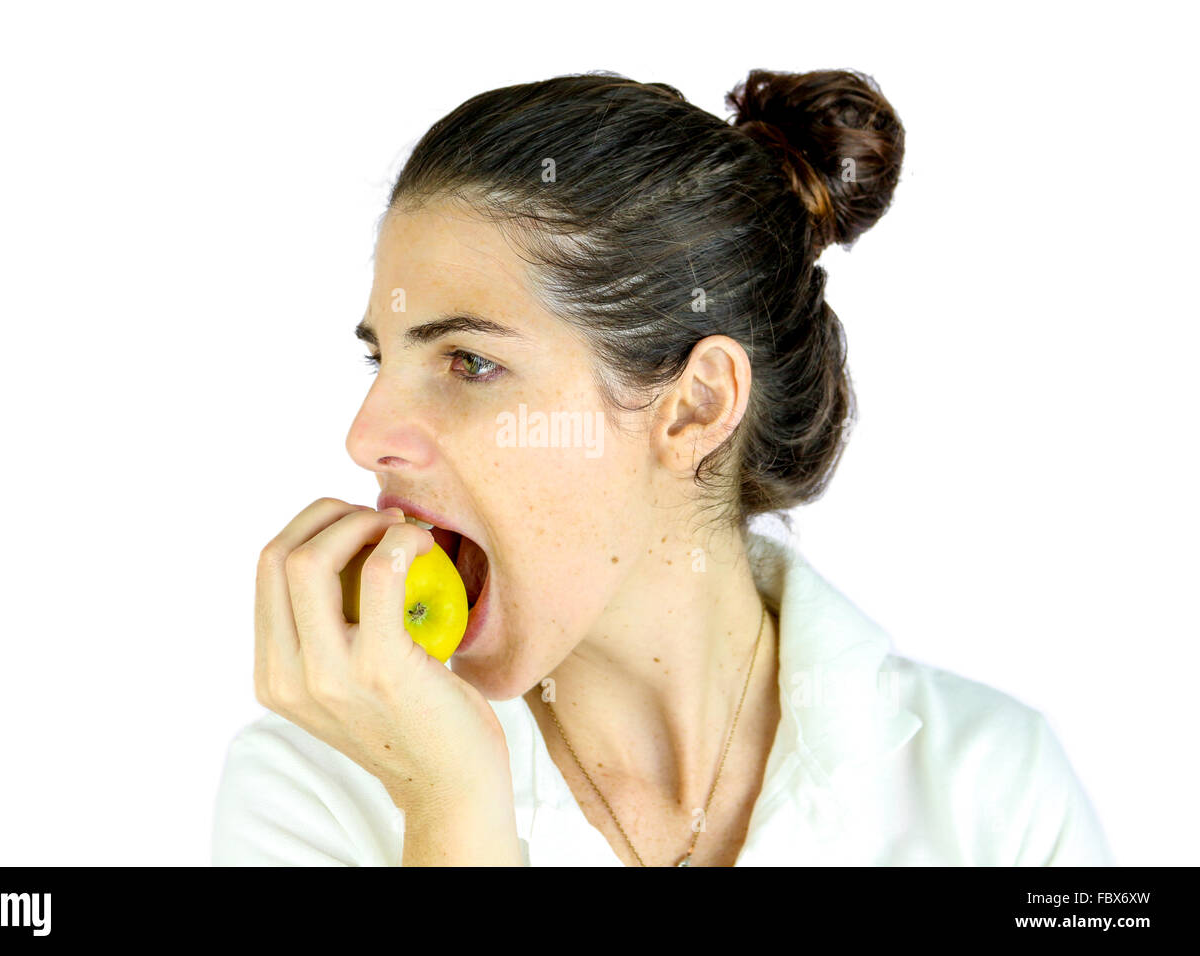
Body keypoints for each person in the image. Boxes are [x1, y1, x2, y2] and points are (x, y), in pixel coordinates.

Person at [211, 68, 1114, 866]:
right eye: (383, 361)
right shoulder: (316, 793)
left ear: (695, 407)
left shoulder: (995, 794)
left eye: (468, 363)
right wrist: (450, 804)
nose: (367, 435)